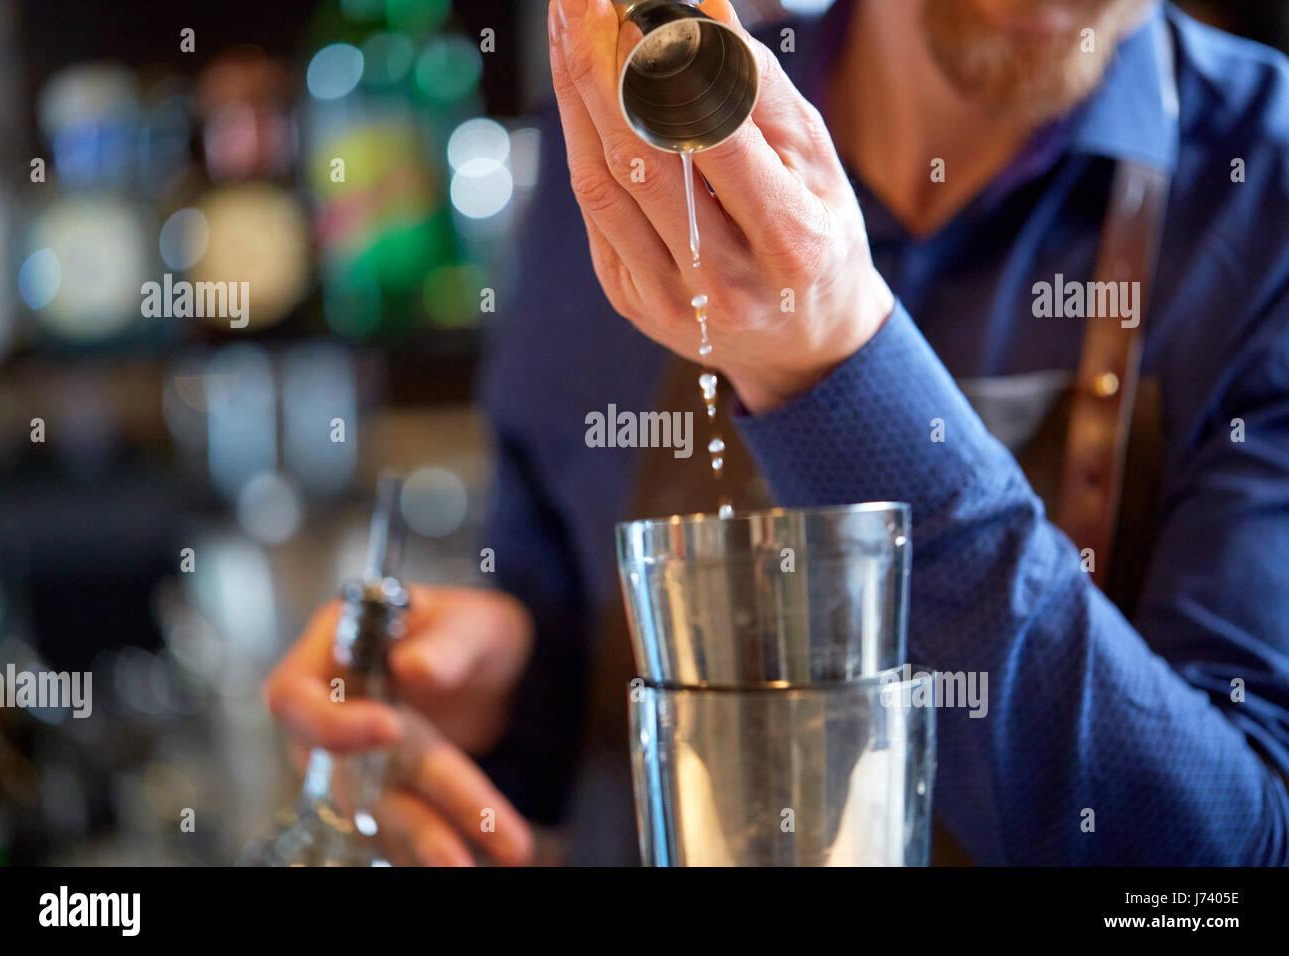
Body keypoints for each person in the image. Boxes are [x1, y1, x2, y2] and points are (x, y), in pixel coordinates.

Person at [264, 0, 1289, 865]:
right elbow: (563, 636)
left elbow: (1231, 845)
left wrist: (838, 363)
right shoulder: (632, 148)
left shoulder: (1262, 192)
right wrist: (492, 693)